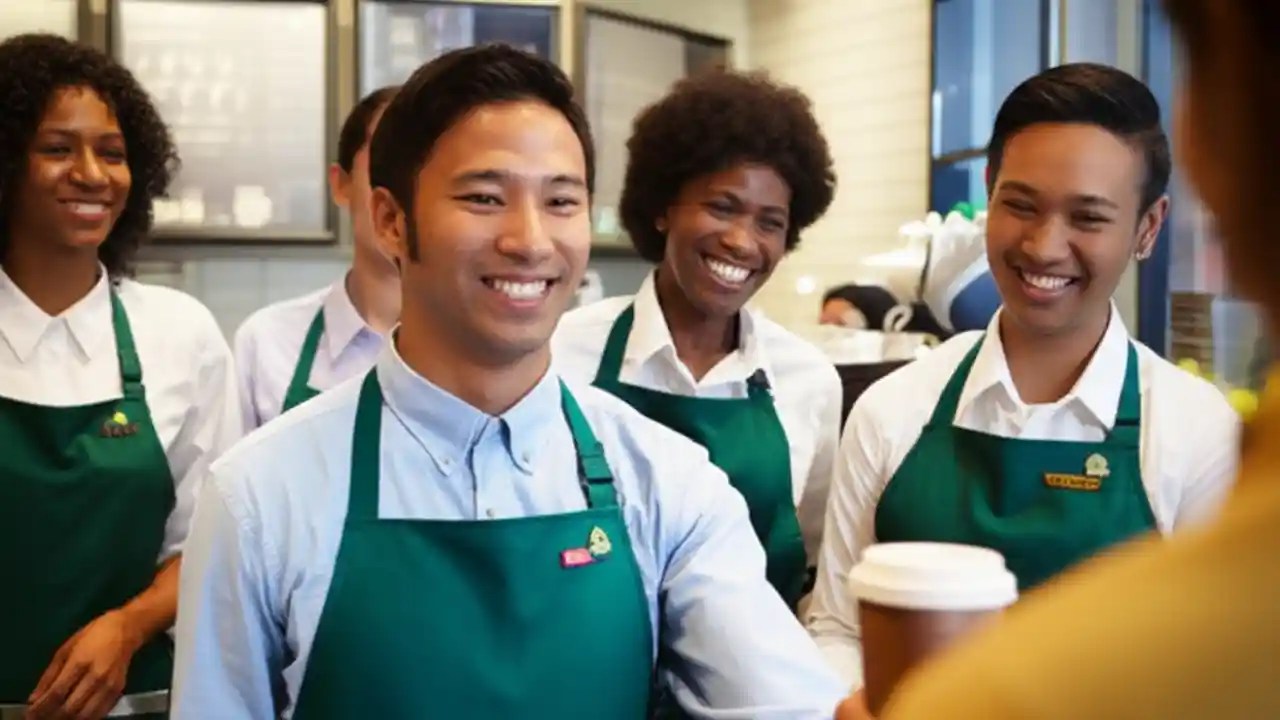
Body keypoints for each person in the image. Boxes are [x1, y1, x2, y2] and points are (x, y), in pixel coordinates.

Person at [171, 45, 846, 719]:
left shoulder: (667, 485)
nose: (529, 240)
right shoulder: (260, 495)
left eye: (560, 201)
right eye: (484, 198)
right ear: (390, 220)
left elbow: (783, 704)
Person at [838, 2, 1280, 717]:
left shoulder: (1198, 435)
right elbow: (835, 623)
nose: (1044, 247)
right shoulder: (894, 409)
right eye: (1021, 205)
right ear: (987, 197)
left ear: (1148, 228)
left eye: (1088, 217)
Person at [0, 34, 239, 719]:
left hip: (140, 704)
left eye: (111, 152)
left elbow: (213, 542)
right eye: (56, 149)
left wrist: (127, 626)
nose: (92, 173)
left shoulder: (179, 332)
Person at [552, 70, 841, 612]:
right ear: (662, 207)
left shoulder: (808, 380)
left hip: (750, 686)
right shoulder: (563, 353)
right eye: (722, 207)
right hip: (594, 674)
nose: (741, 242)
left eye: (769, 222)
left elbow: (814, 564)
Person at [234, 86, 399, 430]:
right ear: (341, 185)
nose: (401, 199)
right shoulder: (268, 343)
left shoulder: (494, 348)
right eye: (387, 166)